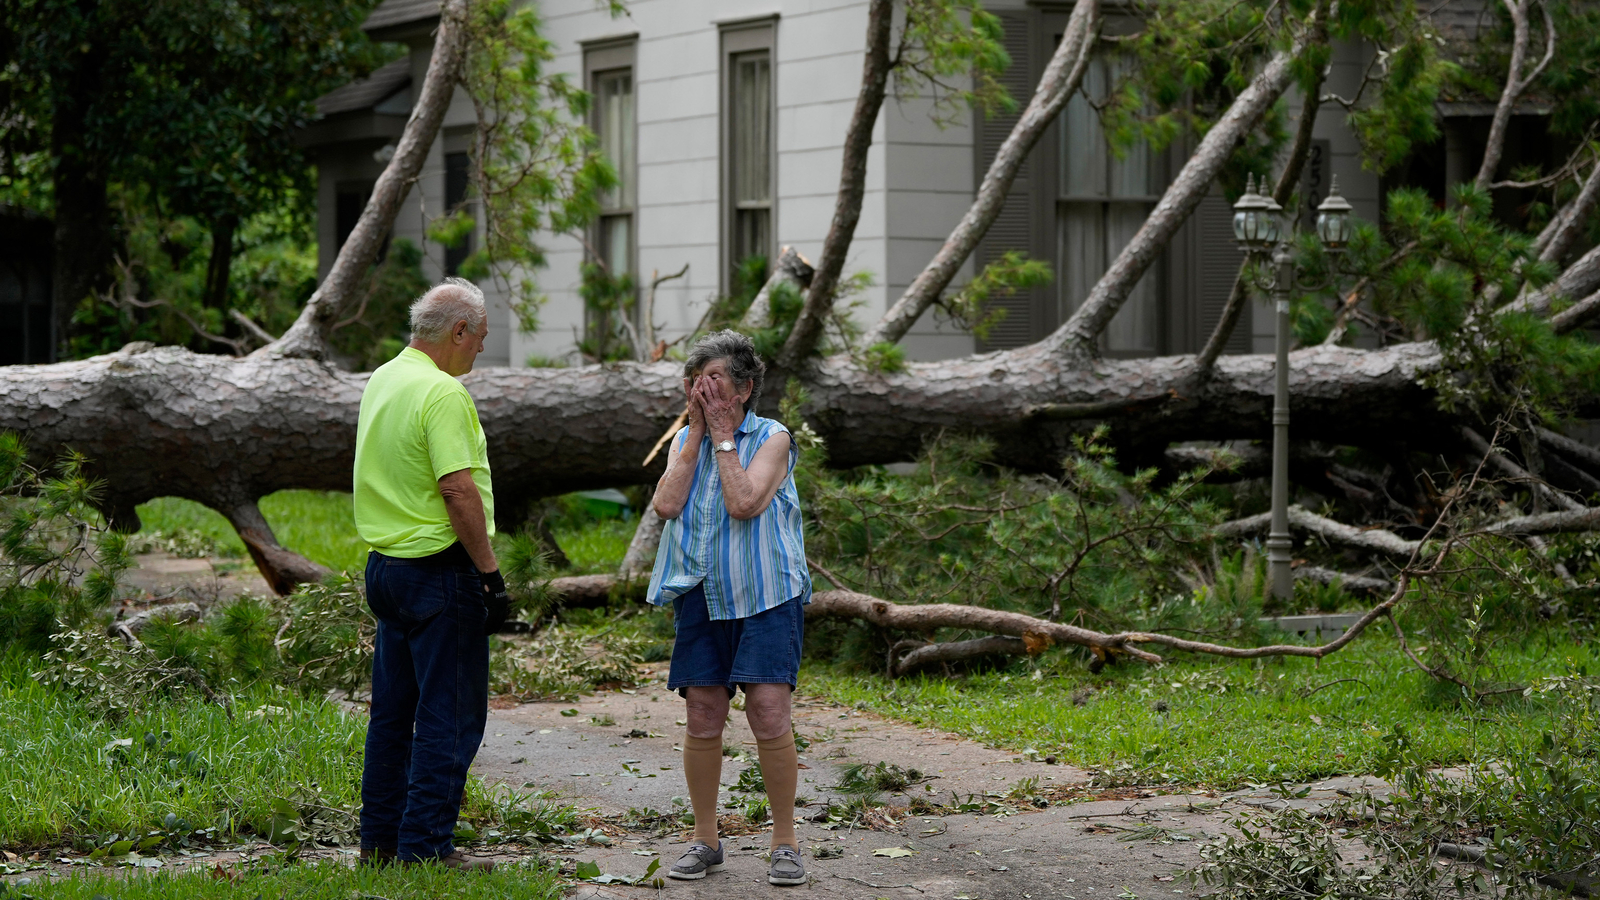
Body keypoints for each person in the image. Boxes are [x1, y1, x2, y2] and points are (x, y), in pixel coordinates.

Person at [352, 278, 509, 872]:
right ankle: (426, 849)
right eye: (481, 338)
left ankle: (380, 843)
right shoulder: (442, 393)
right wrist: (490, 575)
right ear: (459, 331)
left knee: (392, 715)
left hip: (386, 569)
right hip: (441, 572)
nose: (482, 350)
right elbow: (456, 487)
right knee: (451, 714)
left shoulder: (385, 378)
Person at [648, 330, 812, 887]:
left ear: (743, 388)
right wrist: (696, 433)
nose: (704, 389)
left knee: (768, 712)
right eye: (696, 381)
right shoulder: (684, 440)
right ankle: (705, 840)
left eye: (715, 379)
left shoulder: (774, 438)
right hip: (702, 591)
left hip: (766, 593)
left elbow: (744, 504)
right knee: (702, 713)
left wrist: (722, 436)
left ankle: (785, 843)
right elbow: (666, 505)